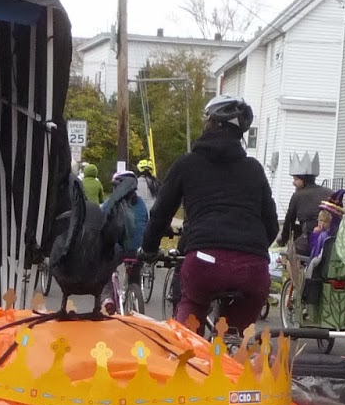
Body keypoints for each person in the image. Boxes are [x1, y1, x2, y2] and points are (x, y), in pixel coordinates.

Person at [138, 96, 278, 335]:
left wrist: (149, 249)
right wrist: (248, 251)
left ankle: (188, 350)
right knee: (236, 335)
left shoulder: (187, 164)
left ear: (211, 124)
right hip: (253, 268)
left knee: (190, 318)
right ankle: (232, 347)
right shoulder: (254, 169)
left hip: (204, 261)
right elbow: (271, 224)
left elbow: (160, 214)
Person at [100, 169, 148, 310]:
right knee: (135, 273)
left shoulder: (111, 202)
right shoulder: (141, 204)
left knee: (105, 265)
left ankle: (107, 297)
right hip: (139, 250)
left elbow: (100, 220)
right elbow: (146, 223)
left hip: (119, 249)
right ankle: (135, 292)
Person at [277, 151, 328, 282]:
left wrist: (282, 240)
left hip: (310, 238)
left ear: (304, 180)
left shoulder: (298, 196)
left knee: (290, 256)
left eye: (296, 179)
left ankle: (298, 286)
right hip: (329, 240)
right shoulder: (329, 192)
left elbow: (289, 222)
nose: (293, 183)